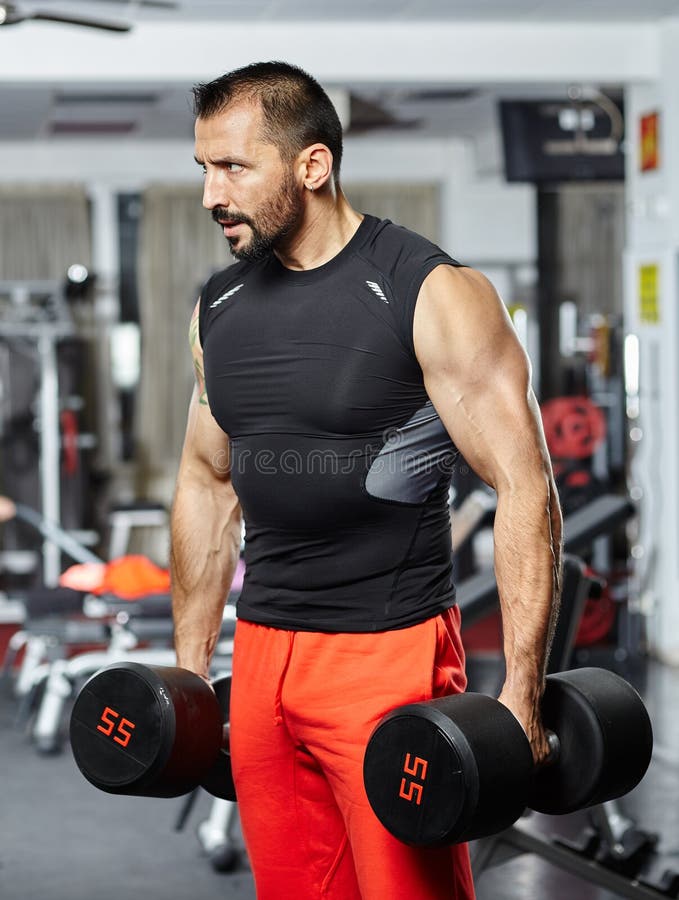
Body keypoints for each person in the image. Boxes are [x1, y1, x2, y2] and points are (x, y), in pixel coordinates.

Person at [170, 61, 562, 900]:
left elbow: (525, 486)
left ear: (312, 165)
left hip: (387, 651)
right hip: (262, 651)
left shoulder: (430, 291)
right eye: (203, 168)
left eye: (232, 167)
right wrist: (190, 672)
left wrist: (521, 690)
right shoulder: (218, 306)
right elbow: (206, 482)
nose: (211, 195)